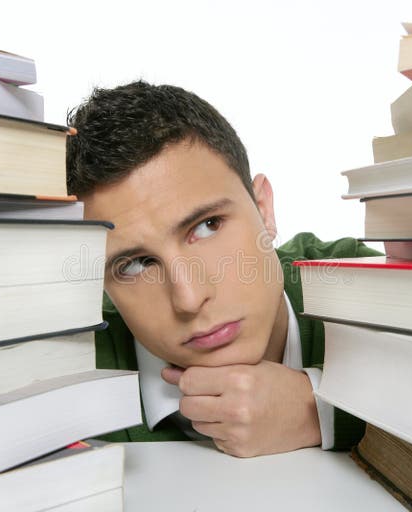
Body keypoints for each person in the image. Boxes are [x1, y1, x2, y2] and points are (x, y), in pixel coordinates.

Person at [65, 80, 381, 458]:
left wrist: (319, 408)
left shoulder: (363, 284)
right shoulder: (69, 370)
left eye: (207, 226)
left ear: (264, 210)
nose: (189, 298)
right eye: (134, 264)